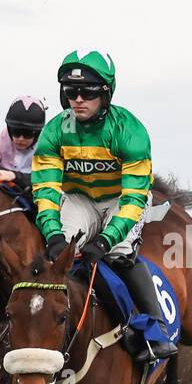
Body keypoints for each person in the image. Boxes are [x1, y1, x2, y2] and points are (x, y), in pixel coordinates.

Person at [32, 50, 175, 362]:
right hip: (79, 200)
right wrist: (53, 234)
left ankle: (155, 329)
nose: (78, 100)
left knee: (119, 255)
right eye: (71, 93)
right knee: (59, 255)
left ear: (106, 95)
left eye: (88, 93)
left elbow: (134, 197)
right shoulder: (54, 131)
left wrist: (104, 240)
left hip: (121, 199)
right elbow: (45, 189)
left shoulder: (130, 131)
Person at [0, 96, 47, 191]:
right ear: (10, 129)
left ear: (37, 133)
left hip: (36, 191)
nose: (21, 139)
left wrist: (14, 176)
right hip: (3, 188)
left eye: (28, 134)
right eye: (16, 132)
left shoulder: (47, 144)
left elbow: (48, 177)